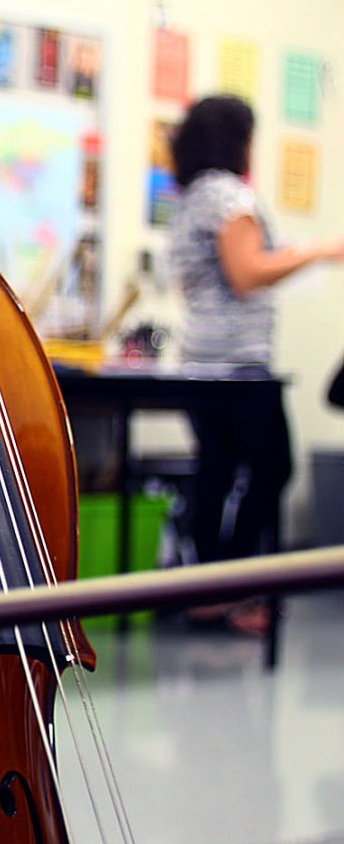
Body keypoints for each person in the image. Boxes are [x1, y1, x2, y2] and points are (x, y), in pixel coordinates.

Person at [168, 93, 344, 633]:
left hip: (201, 361)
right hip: (239, 366)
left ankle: (209, 595)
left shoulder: (190, 197)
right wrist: (317, 250)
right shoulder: (228, 194)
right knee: (271, 470)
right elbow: (246, 274)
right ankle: (240, 595)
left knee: (217, 474)